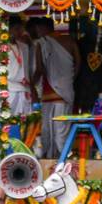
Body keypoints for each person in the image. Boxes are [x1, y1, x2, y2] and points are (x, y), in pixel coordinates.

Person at [30, 17, 78, 159]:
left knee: (47, 128)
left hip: (49, 91)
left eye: (38, 29)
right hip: (65, 90)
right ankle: (64, 156)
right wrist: (70, 80)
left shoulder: (41, 43)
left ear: (44, 28)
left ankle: (50, 157)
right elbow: (79, 62)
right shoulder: (69, 40)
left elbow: (39, 69)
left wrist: (30, 84)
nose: (37, 32)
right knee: (62, 127)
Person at [4, 16, 36, 118]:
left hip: (25, 89)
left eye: (21, 29)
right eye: (16, 29)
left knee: (26, 121)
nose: (19, 32)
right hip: (10, 89)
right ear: (9, 30)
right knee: (8, 121)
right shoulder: (0, 46)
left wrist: (33, 90)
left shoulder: (25, 46)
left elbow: (29, 70)